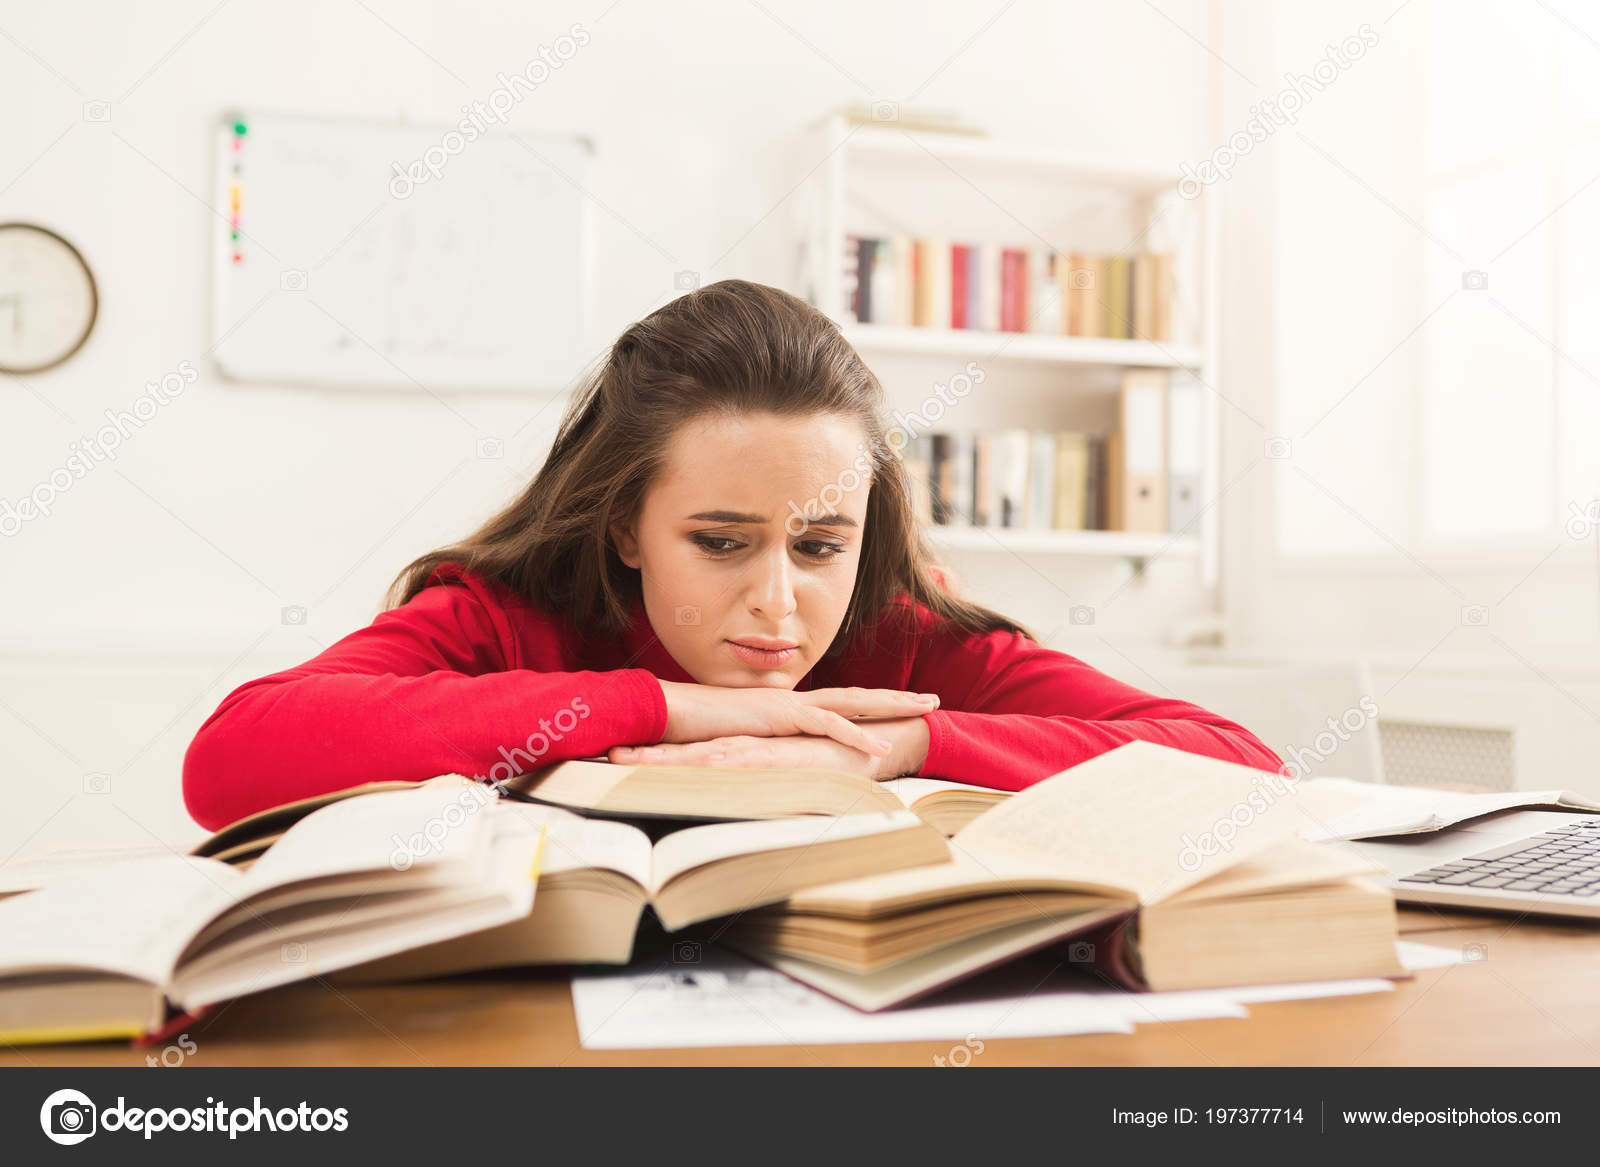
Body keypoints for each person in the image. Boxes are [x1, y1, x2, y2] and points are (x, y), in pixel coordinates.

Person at [182, 280, 1282, 831]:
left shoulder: (902, 635)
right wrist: (662, 709)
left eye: (818, 544)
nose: (776, 604)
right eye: (718, 542)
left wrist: (904, 746)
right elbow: (231, 762)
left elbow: (1241, 765)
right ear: (625, 526)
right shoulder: (504, 614)